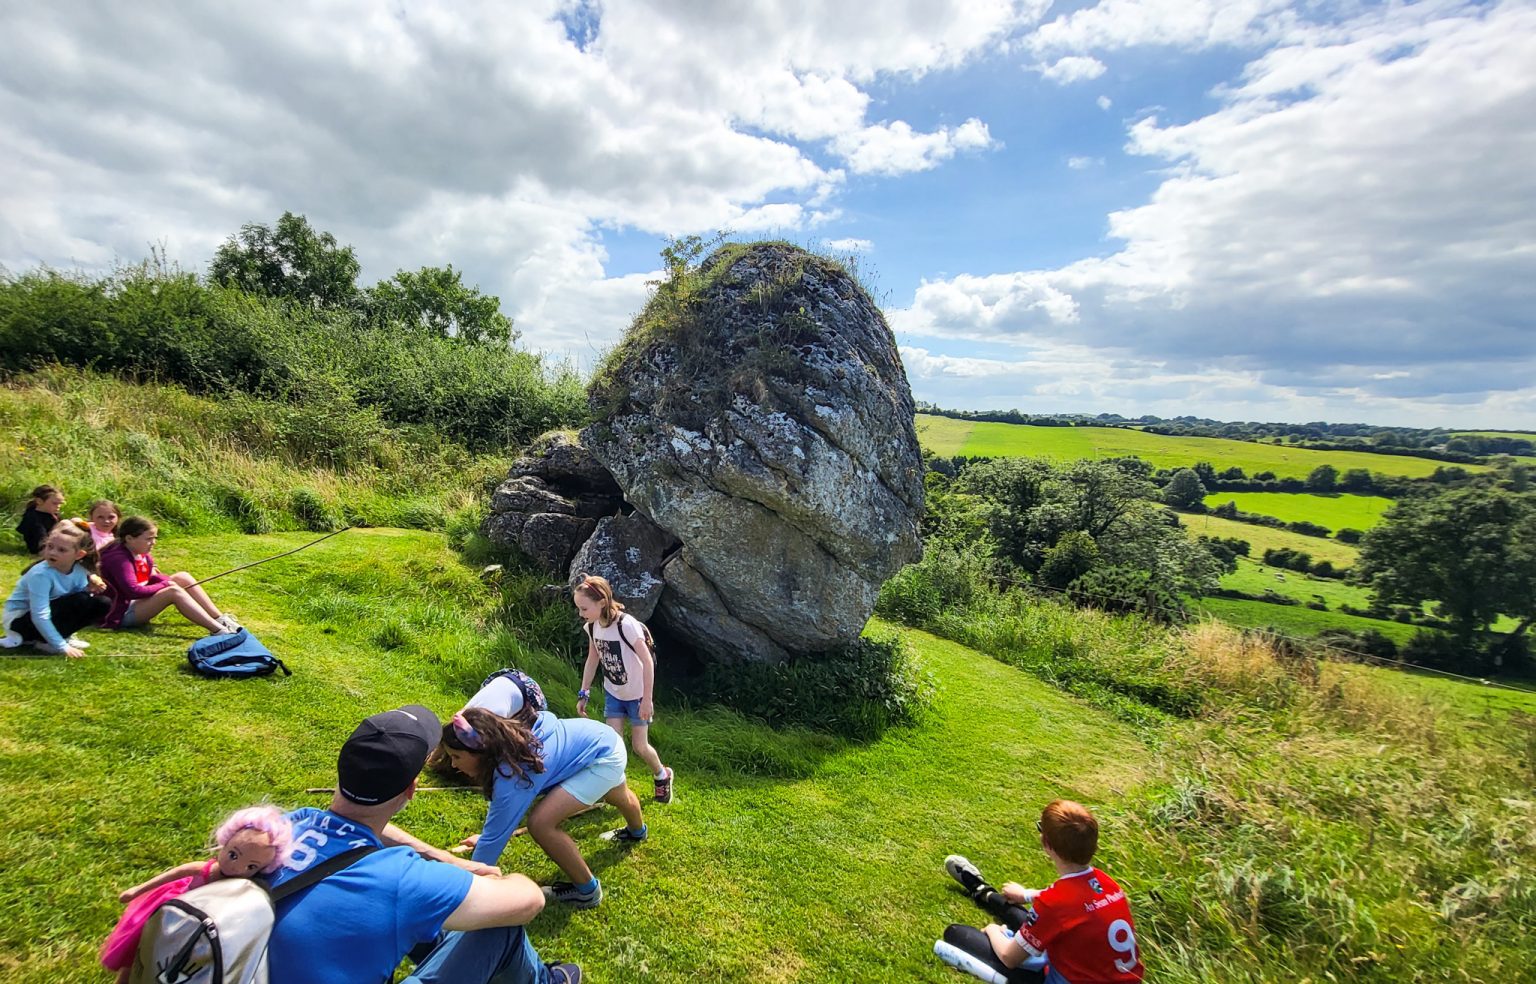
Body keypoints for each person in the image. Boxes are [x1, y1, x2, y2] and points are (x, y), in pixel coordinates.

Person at [268, 704, 581, 984]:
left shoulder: (285, 827)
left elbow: (363, 823)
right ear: (411, 789)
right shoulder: (403, 879)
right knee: (500, 927)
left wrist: (444, 857)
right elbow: (530, 902)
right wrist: (506, 880)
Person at [441, 702, 648, 911]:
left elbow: (495, 835)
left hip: (601, 758)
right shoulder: (513, 738)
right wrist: (487, 837)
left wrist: (463, 890)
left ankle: (587, 892)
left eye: (456, 756)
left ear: (481, 752)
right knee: (616, 793)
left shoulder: (512, 776)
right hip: (604, 739)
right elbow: (503, 818)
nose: (453, 765)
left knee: (541, 824)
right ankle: (637, 832)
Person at [935, 800, 1144, 984]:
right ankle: (981, 890)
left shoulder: (1054, 903)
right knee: (1026, 920)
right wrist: (1026, 894)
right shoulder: (1108, 883)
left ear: (1046, 843)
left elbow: (1009, 956)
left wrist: (992, 930)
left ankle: (983, 893)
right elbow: (1069, 902)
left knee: (956, 933)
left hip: (1060, 975)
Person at [102, 805, 294, 982]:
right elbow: (171, 875)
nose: (237, 868)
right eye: (233, 855)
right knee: (143, 951)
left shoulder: (240, 888)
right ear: (225, 842)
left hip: (197, 928)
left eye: (251, 866)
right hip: (170, 912)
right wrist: (137, 890)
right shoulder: (205, 870)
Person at [572, 574, 674, 804]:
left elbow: (647, 661)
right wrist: (584, 692)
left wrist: (647, 700)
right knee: (613, 746)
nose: (581, 613)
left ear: (601, 602)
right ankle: (615, 791)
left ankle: (662, 774)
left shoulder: (626, 625)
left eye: (584, 608)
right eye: (579, 608)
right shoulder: (592, 626)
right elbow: (593, 659)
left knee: (640, 746)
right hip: (613, 693)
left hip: (637, 696)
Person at [97, 516, 239, 636]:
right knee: (173, 592)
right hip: (121, 612)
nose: (153, 543)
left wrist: (167, 581)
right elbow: (133, 591)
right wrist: (166, 585)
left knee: (182, 577)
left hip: (134, 602)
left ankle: (220, 618)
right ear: (129, 538)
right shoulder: (119, 559)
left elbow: (150, 578)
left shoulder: (138, 551)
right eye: (149, 539)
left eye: (154, 538)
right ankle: (218, 630)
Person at [1, 521, 110, 657]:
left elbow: (72, 602)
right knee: (80, 599)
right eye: (50, 546)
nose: (52, 552)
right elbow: (40, 614)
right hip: (20, 621)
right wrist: (61, 646)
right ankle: (47, 641)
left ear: (79, 555)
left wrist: (90, 587)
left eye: (61, 550)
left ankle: (59, 637)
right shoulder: (41, 574)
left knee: (102, 603)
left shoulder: (80, 570)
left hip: (48, 613)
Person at [15, 484, 64, 554]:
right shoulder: (33, 518)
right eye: (54, 503)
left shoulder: (52, 515)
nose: (58, 506)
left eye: (60, 504)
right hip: (41, 547)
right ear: (39, 501)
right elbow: (41, 538)